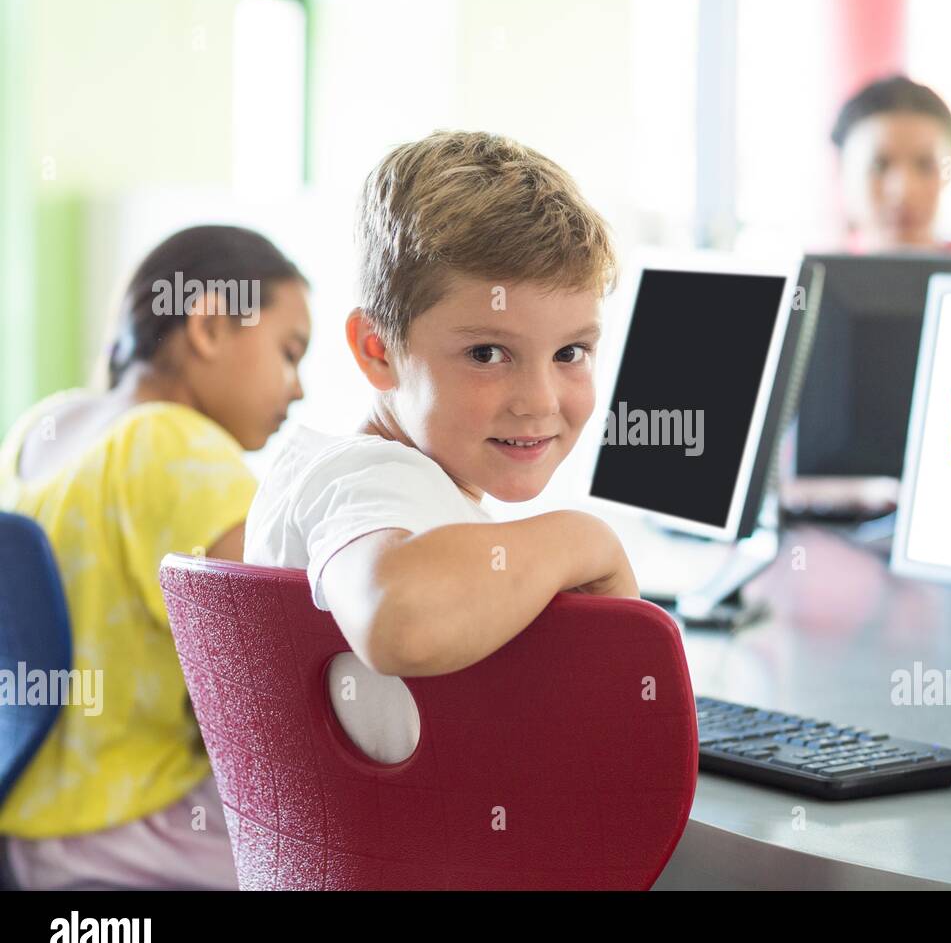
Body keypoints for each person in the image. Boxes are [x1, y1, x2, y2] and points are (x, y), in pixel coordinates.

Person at [243, 131, 638, 764]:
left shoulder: (361, 481)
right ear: (378, 350)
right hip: (423, 863)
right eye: (487, 353)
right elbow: (398, 617)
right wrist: (583, 540)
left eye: (571, 353)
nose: (538, 401)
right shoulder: (366, 481)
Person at [0, 225, 311, 889]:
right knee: (337, 855)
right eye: (290, 353)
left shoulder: (42, 429)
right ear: (207, 327)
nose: (299, 388)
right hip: (130, 828)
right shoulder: (174, 442)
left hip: (28, 823)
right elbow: (280, 668)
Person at [831, 74, 951, 254]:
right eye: (879, 166)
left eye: (925, 165)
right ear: (841, 170)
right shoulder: (803, 279)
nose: (903, 191)